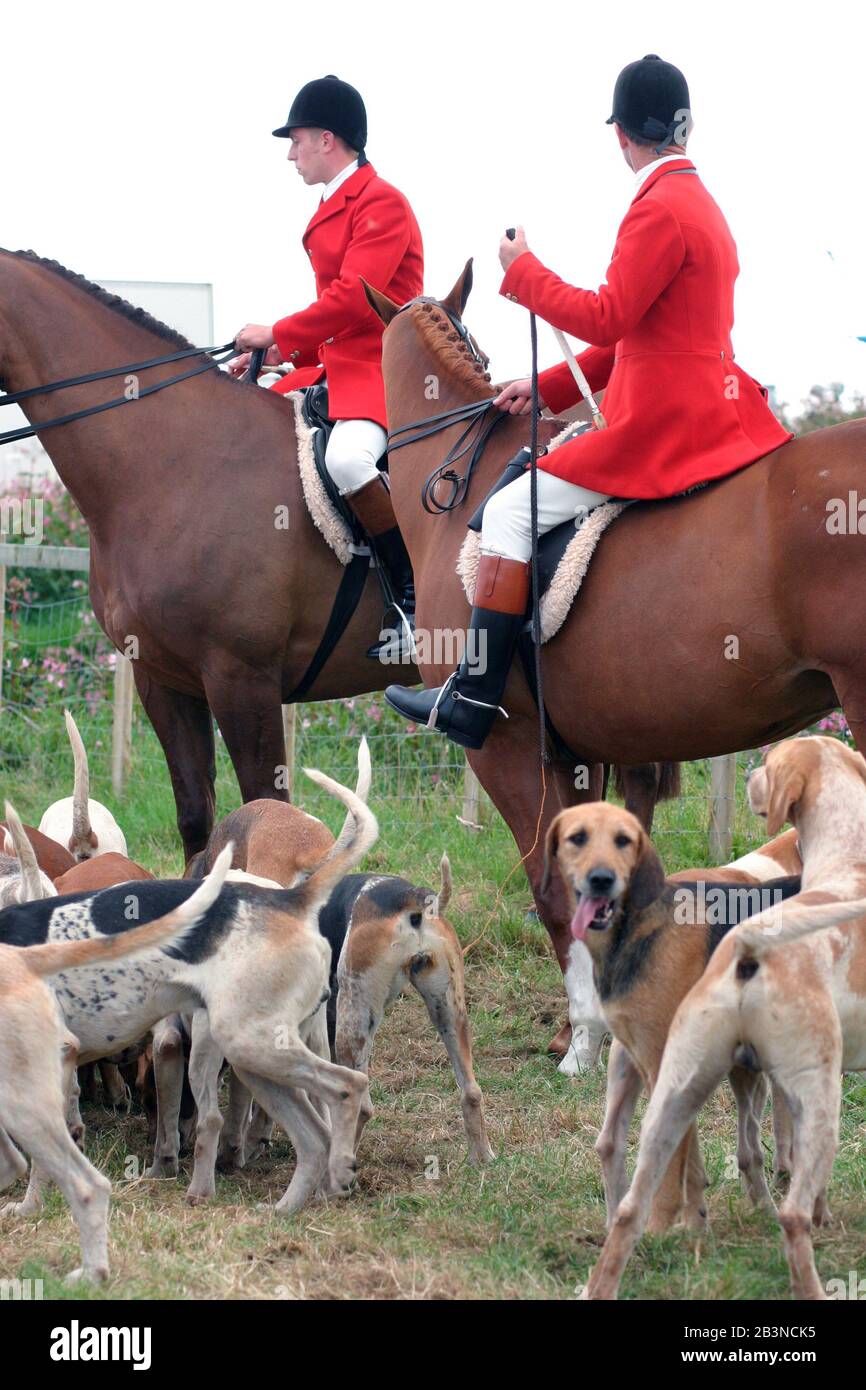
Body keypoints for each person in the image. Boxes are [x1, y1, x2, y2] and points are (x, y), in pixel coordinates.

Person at [385, 53, 793, 749]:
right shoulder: (703, 203)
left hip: (663, 422)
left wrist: (524, 272)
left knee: (509, 511)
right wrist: (541, 387)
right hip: (718, 405)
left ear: (622, 135)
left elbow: (604, 316)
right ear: (684, 129)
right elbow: (640, 334)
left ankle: (472, 697)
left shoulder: (657, 208)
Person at [232, 75, 424, 659]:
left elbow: (350, 300)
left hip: (383, 371)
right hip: (334, 365)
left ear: (327, 139)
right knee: (251, 415)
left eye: (296, 141)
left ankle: (413, 596)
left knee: (346, 457)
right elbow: (331, 324)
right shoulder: (332, 206)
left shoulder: (382, 202)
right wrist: (272, 355)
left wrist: (279, 331)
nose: (290, 154)